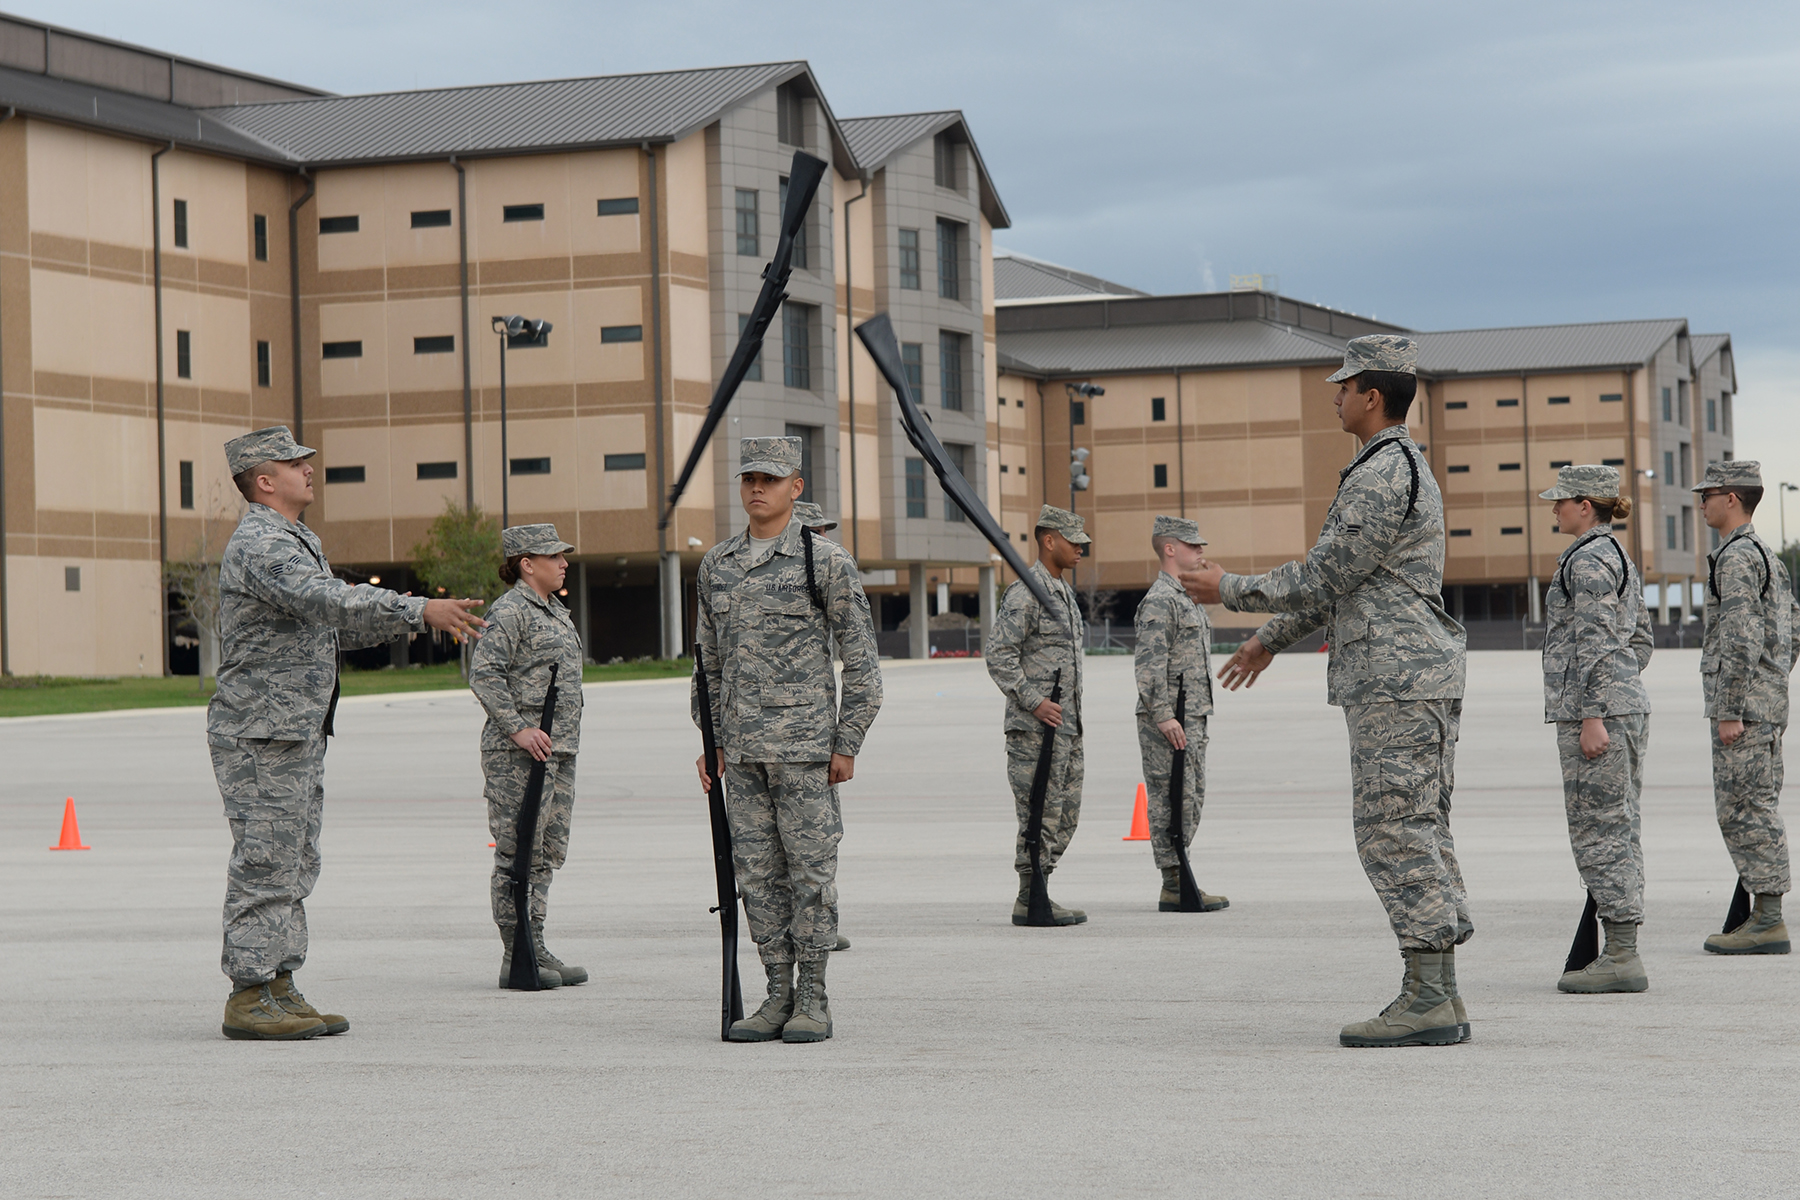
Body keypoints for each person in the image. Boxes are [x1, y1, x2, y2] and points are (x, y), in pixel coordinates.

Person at [1180, 335, 1472, 1048]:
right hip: (1409, 677)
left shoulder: (1380, 472)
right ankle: (1438, 992)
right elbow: (1350, 582)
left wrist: (1231, 590)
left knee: (1393, 830)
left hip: (1395, 680)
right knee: (1415, 826)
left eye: (1343, 387)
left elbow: (1325, 573)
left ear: (1372, 396)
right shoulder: (1395, 467)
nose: (1334, 397)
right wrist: (1269, 640)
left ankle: (1430, 995)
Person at [210, 426, 486, 1041]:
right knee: (265, 860)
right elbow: (327, 602)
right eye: (294, 462)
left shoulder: (296, 538)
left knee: (295, 859)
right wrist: (417, 609)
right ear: (263, 480)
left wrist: (413, 622)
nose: (309, 469)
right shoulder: (263, 542)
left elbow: (330, 628)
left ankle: (279, 981)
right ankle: (249, 994)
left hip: (293, 729)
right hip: (262, 731)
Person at [693, 437, 882, 1043]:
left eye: (770, 480)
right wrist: (711, 739)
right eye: (748, 477)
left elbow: (862, 662)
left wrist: (847, 740)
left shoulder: (822, 561)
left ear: (795, 488)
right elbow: (708, 663)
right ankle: (775, 992)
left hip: (805, 752)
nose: (756, 488)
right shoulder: (717, 564)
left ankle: (813, 997)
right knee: (757, 877)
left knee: (810, 876)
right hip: (742, 755)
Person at [1538, 466, 1653, 992]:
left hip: (1597, 714)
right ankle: (1621, 947)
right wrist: (1620, 691)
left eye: (1562, 501)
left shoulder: (1587, 560)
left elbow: (1597, 640)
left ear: (1587, 505)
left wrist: (1592, 713)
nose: (1554, 509)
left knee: (1600, 833)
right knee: (1619, 827)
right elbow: (1641, 642)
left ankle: (1623, 956)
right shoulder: (1620, 557)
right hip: (1622, 706)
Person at [468, 524, 587, 989]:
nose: (563, 563)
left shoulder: (554, 610)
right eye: (554, 556)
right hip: (518, 756)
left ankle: (535, 943)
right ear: (526, 564)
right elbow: (486, 674)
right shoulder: (512, 610)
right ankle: (515, 953)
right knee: (517, 852)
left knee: (546, 851)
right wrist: (518, 728)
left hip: (558, 750)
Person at [1695, 460, 1798, 955]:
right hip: (1766, 703)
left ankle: (1769, 920)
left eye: (1708, 494)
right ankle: (1763, 913)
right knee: (1758, 803)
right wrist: (1773, 682)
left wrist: (1732, 707)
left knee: (1743, 809)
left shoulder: (1736, 557)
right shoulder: (1768, 555)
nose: (1702, 503)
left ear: (1731, 498)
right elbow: (1793, 626)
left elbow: (1740, 637)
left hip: (1745, 711)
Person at [987, 504, 1090, 927]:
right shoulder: (1027, 592)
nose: (1082, 548)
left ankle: (1041, 889)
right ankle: (1031, 896)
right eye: (1074, 540)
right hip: (1035, 730)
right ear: (1049, 540)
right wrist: (1032, 700)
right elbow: (999, 654)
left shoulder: (1062, 592)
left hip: (1066, 728)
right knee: (1039, 812)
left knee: (1065, 812)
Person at [1133, 515, 1227, 912]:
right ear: (1170, 548)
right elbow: (1149, 664)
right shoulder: (1161, 600)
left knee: (1190, 797)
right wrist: (1163, 714)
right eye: (1193, 545)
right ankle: (1173, 882)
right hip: (1170, 719)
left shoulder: (1186, 597)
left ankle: (1181, 873)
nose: (1201, 550)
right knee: (1169, 797)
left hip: (1192, 716)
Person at [794, 500, 853, 954]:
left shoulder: (828, 571)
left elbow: (860, 661)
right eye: (814, 530)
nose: (824, 539)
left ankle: (815, 934)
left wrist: (847, 740)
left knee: (816, 848)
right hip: (766, 747)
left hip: (812, 739)